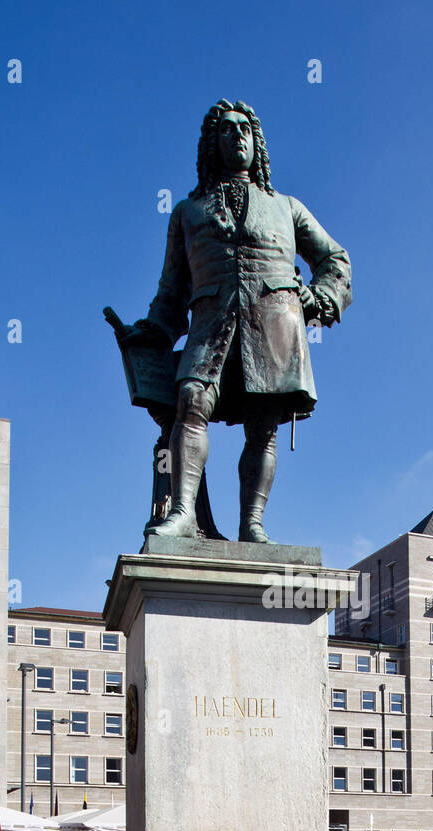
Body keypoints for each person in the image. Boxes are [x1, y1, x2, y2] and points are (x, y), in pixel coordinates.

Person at [109, 99, 352, 544]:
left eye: (244, 129)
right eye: (227, 129)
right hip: (211, 323)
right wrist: (149, 331)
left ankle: (251, 524)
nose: (237, 135)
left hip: (273, 326)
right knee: (190, 400)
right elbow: (171, 290)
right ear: (212, 143)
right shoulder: (188, 212)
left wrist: (319, 297)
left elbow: (335, 259)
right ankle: (183, 513)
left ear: (257, 143)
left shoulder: (287, 207)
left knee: (263, 427)